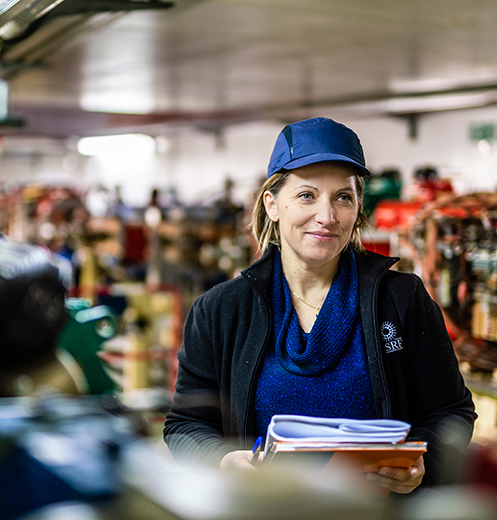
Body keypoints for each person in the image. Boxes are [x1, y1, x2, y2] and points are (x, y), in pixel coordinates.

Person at [163, 117, 476, 494]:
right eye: (307, 195)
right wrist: (220, 459)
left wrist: (427, 462)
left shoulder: (402, 300)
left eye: (343, 197)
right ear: (272, 204)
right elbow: (185, 425)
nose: (327, 217)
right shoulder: (221, 311)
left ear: (359, 208)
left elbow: (451, 412)